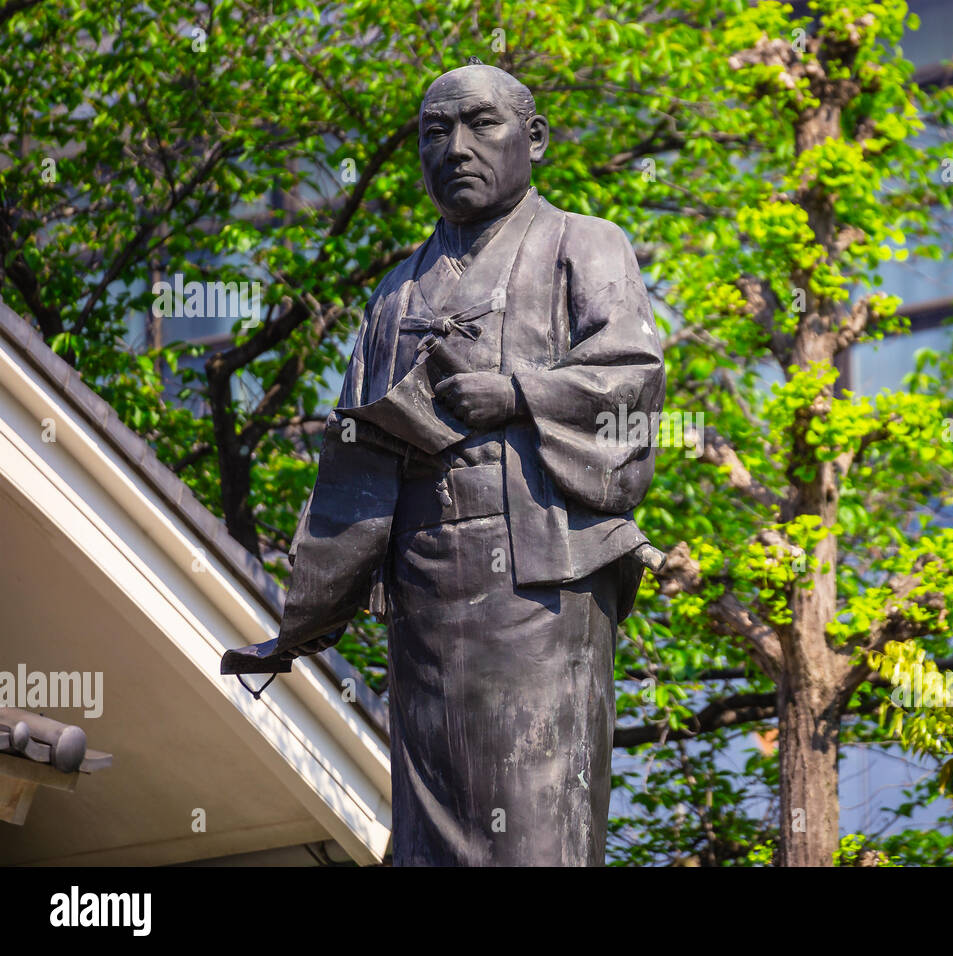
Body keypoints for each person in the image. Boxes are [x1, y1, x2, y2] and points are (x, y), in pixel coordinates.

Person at [223, 61, 665, 866]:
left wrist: (519, 393)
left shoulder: (584, 244)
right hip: (425, 596)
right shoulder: (396, 292)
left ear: (534, 138)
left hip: (539, 585)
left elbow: (631, 379)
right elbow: (355, 464)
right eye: (435, 132)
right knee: (427, 829)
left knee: (536, 820)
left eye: (480, 124)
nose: (456, 147)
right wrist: (304, 621)